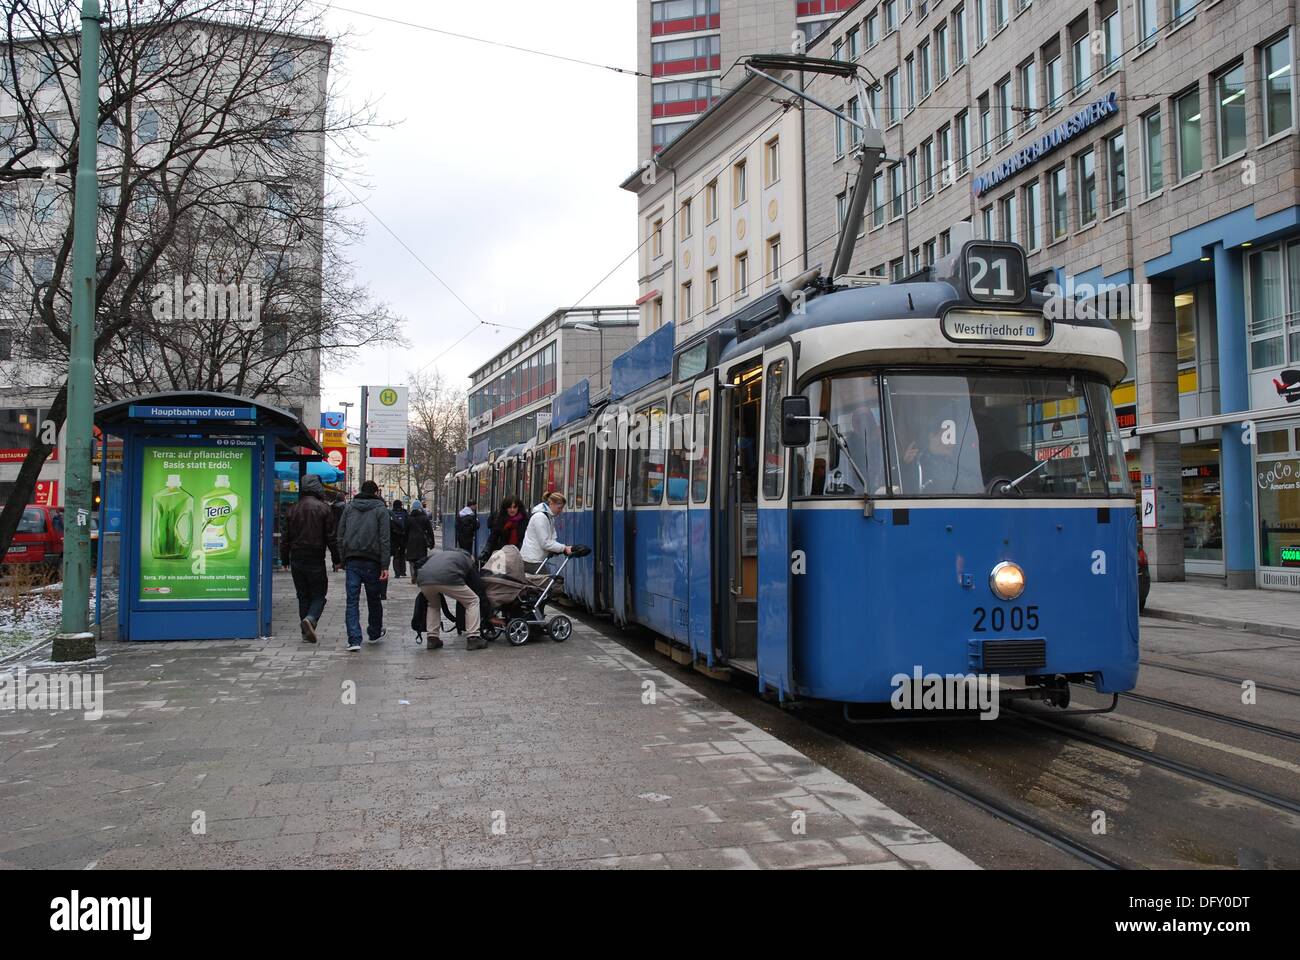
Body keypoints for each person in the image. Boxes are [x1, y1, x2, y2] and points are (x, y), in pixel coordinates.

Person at [279, 474, 341, 644]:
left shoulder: (293, 509)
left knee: (303, 595)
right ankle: (311, 619)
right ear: (318, 488)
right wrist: (337, 559)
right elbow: (331, 537)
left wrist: (284, 559)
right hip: (315, 557)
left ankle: (305, 631)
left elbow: (285, 538)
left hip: (296, 558)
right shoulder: (324, 509)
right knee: (319, 594)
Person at [337, 479, 390, 652]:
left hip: (352, 559)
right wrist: (384, 565)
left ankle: (354, 639)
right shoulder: (381, 510)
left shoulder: (349, 508)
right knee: (374, 598)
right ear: (376, 493)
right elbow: (384, 539)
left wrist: (343, 558)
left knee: (352, 600)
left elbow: (340, 535)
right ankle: (374, 632)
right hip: (373, 561)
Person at [416, 547, 489, 650]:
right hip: (447, 577)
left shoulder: (440, 554)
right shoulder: (467, 560)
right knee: (473, 601)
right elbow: (478, 586)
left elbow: (419, 563)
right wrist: (487, 612)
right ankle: (473, 638)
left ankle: (432, 639)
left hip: (423, 578)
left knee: (433, 605)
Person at [521, 491, 573, 576]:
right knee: (544, 585)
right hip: (532, 560)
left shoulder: (548, 517)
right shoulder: (540, 517)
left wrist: (560, 548)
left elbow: (551, 539)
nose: (560, 511)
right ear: (551, 503)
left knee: (542, 584)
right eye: (559, 508)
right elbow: (545, 543)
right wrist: (564, 548)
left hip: (534, 559)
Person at [481, 495, 527, 563]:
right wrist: (486, 550)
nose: (512, 510)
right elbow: (493, 537)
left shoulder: (525, 521)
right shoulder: (500, 520)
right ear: (505, 508)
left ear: (518, 508)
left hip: (519, 556)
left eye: (514, 507)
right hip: (502, 555)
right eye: (509, 507)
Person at [405, 499, 436, 583]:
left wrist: (404, 543)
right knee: (421, 560)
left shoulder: (409, 518)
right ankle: (418, 575)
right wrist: (432, 543)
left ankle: (413, 575)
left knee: (412, 561)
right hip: (422, 541)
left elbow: (405, 532)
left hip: (411, 541)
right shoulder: (425, 518)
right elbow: (430, 531)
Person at [389, 499, 409, 578]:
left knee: (396, 555)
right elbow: (407, 524)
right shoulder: (404, 513)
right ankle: (403, 571)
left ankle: (397, 573)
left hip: (394, 537)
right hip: (403, 537)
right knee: (402, 554)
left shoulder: (391, 513)